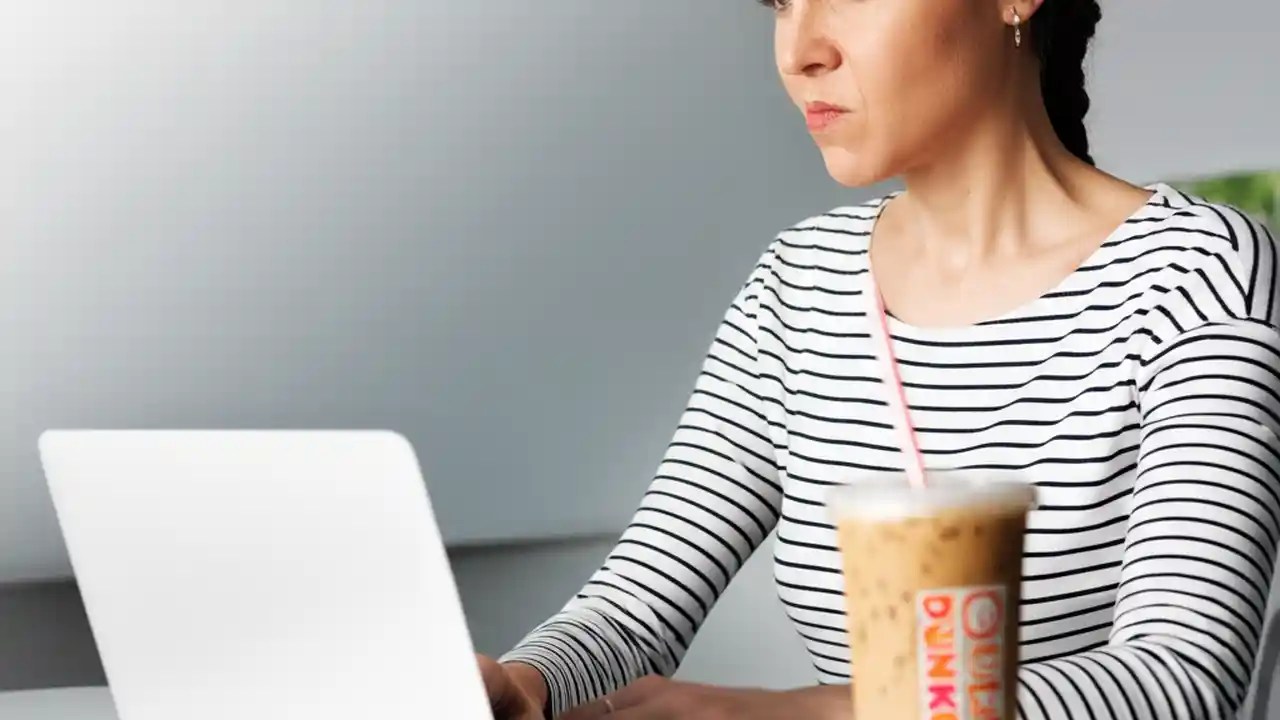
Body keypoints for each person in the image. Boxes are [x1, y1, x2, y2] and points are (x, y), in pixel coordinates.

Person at [478, 0, 1280, 717]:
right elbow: (633, 606)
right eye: (782, 5)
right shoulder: (801, 284)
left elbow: (1182, 679)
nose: (800, 51)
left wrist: (798, 716)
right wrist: (527, 684)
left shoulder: (1196, 274)